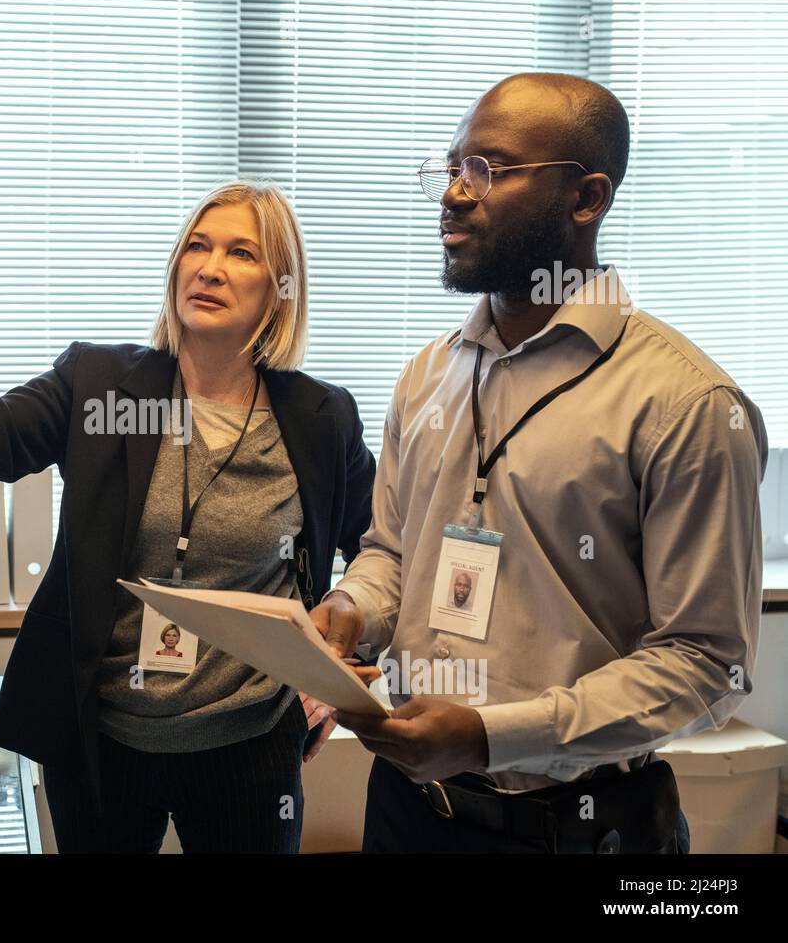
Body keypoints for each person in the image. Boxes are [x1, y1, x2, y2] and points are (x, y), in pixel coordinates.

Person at [0, 179, 377, 853]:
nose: (208, 267)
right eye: (197, 247)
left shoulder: (322, 420)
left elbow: (381, 552)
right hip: (102, 746)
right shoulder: (100, 384)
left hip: (250, 749)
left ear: (281, 290)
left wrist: (334, 677)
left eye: (242, 253)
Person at [314, 73, 767, 853]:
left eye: (488, 168)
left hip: (580, 827)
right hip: (407, 808)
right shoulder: (428, 373)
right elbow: (392, 552)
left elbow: (706, 663)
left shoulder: (686, 402)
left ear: (586, 199)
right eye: (452, 167)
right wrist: (350, 613)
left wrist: (494, 735)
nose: (454, 193)